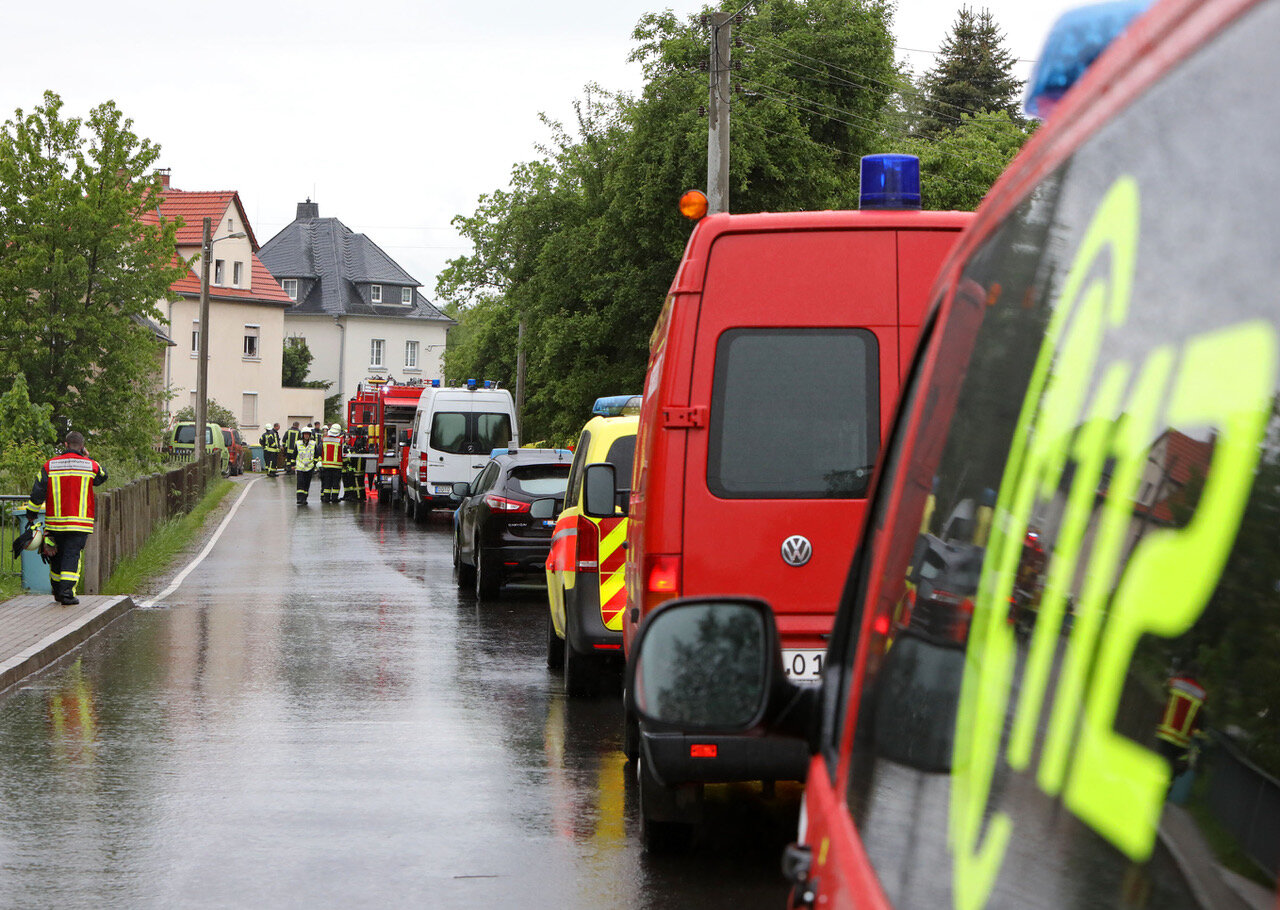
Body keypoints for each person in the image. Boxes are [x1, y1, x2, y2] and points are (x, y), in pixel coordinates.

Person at [25, 431, 108, 605]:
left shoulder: (50, 465)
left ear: (65, 444)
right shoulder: (89, 465)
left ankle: (57, 592)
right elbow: (102, 477)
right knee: (72, 555)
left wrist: (31, 515)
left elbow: (37, 492)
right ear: (82, 446)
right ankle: (67, 594)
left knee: (55, 556)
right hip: (79, 523)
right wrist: (88, 457)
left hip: (55, 523)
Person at [1156, 664, 1207, 781]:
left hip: (1166, 733)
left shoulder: (1175, 682)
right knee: (1172, 769)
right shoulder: (1201, 694)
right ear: (1198, 676)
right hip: (1182, 741)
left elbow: (1163, 689)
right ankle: (1168, 783)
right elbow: (1200, 720)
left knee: (1160, 763)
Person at [319, 424, 344, 503]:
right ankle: (334, 498)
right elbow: (342, 453)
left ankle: (326, 498)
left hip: (326, 465)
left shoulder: (324, 440)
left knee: (327, 483)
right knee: (336, 483)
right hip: (337, 466)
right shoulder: (340, 440)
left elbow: (320, 451)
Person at [295, 427, 318, 504]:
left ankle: (304, 498)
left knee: (306, 483)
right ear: (302, 435)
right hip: (300, 466)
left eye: (308, 434)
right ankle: (299, 499)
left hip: (310, 466)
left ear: (310, 435)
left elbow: (316, 455)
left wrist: (315, 464)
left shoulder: (313, 444)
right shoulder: (298, 443)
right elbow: (294, 454)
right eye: (305, 434)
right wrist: (292, 464)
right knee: (300, 482)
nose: (306, 436)